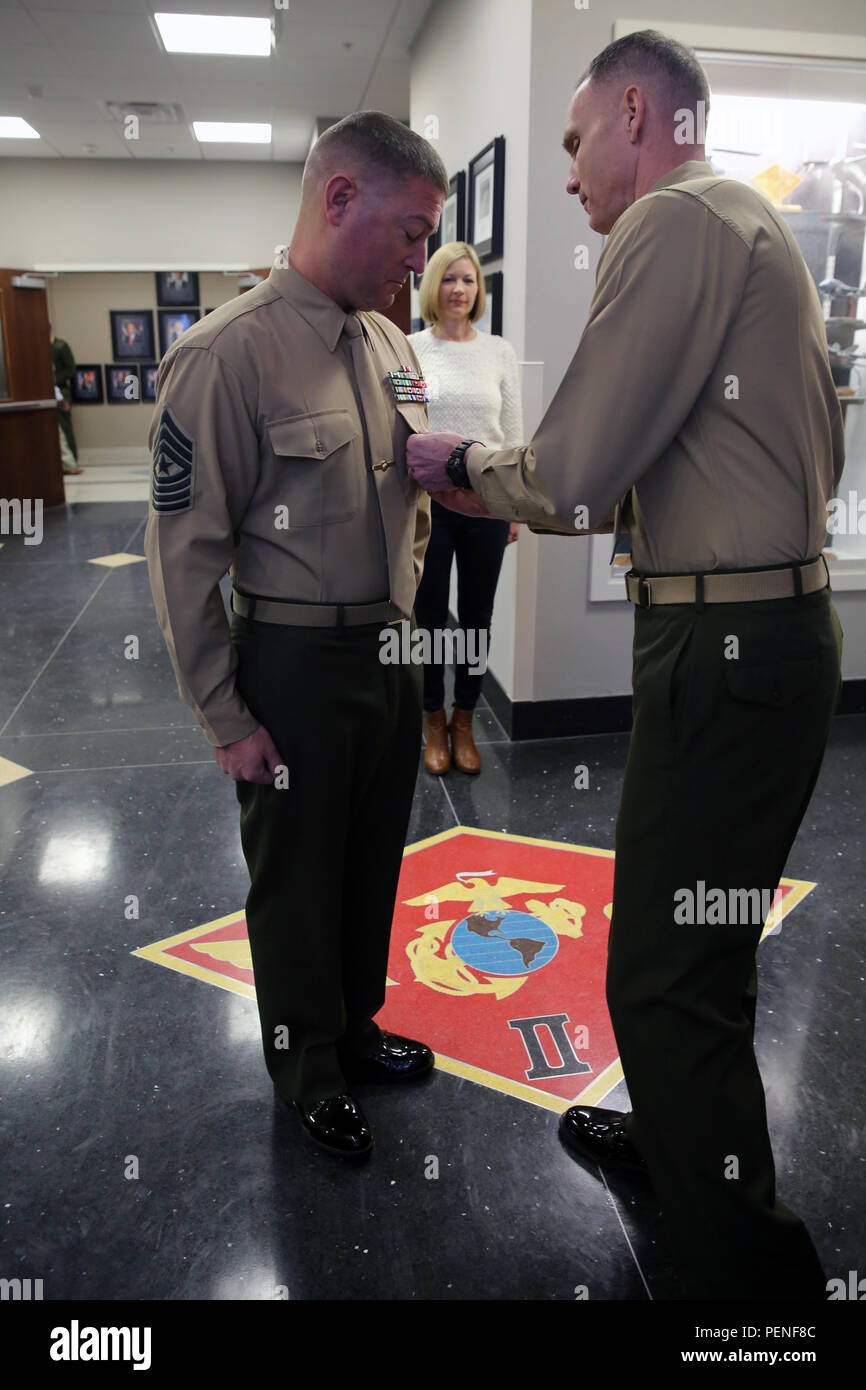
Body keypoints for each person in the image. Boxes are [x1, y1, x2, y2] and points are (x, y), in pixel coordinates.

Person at [407, 29, 843, 1299]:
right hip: (749, 634)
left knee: (659, 970)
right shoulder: (740, 225)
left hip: (724, 643)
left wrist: (463, 470)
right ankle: (673, 1139)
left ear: (639, 115)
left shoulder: (671, 225)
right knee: (689, 938)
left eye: (574, 139)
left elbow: (577, 470)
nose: (566, 171)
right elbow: (633, 478)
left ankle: (753, 1290)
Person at [145, 110, 449, 1159]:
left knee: (371, 862)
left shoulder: (396, 345)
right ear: (336, 201)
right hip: (294, 663)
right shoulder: (223, 357)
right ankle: (304, 1062)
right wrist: (225, 717)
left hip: (389, 654)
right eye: (408, 232)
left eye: (427, 238)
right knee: (296, 879)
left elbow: (413, 489)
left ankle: (354, 1026)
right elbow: (182, 555)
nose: (420, 258)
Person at [408, 243, 522, 775]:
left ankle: (463, 722)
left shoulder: (499, 352)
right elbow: (402, 428)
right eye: (450, 279)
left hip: (488, 505)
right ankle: (432, 720)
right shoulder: (408, 350)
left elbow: (513, 434)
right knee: (429, 616)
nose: (460, 289)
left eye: (469, 280)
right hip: (428, 506)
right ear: (434, 285)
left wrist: (516, 506)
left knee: (477, 616)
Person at [51, 326, 82, 475]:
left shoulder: (60, 346)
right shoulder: (42, 347)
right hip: (49, 391)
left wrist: (52, 381)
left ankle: (71, 462)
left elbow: (70, 369)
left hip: (60, 390)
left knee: (64, 427)